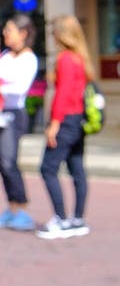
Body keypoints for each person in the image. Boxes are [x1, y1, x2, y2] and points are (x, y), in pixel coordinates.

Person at [0, 13, 38, 231]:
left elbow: (19, 88)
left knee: (8, 161)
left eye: (9, 30)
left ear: (23, 33)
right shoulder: (4, 56)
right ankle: (11, 206)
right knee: (0, 162)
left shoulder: (28, 59)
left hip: (13, 114)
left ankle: (21, 207)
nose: (5, 34)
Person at [36, 15, 93, 239]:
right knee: (76, 167)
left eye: (53, 31)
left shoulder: (66, 59)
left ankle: (60, 218)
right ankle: (77, 219)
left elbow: (63, 94)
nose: (51, 36)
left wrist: (54, 124)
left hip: (66, 119)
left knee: (48, 168)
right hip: (78, 118)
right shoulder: (81, 58)